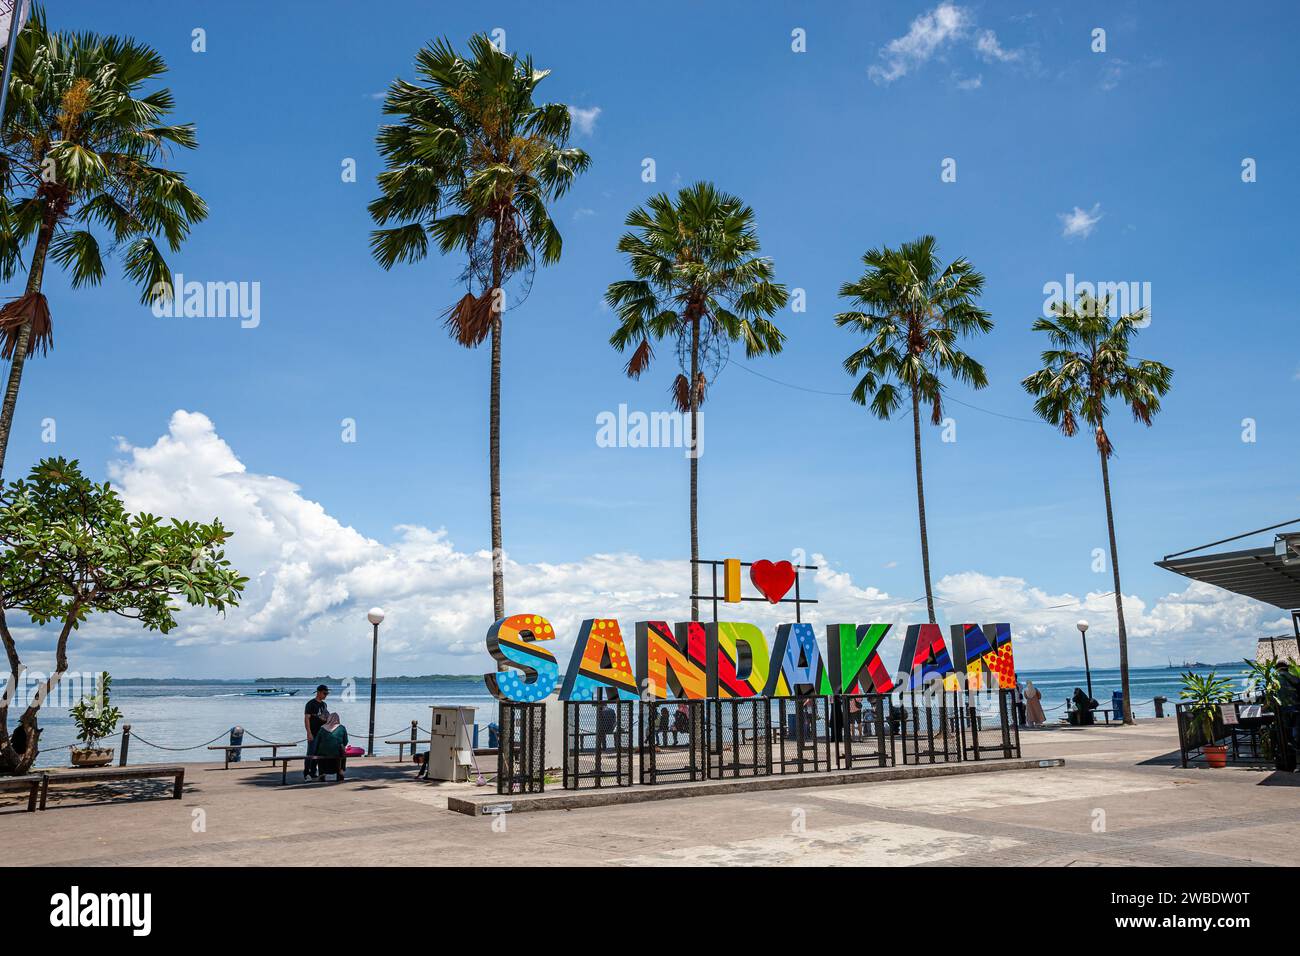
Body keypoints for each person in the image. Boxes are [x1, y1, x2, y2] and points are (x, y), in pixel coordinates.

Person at [303, 684, 330, 780]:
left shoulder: (324, 704)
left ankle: (314, 772)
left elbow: (326, 717)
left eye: (327, 693)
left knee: (319, 754)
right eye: (324, 693)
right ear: (318, 692)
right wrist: (308, 733)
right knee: (311, 753)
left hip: (322, 734)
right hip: (313, 732)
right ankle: (306, 773)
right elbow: (306, 719)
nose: (326, 695)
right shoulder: (310, 704)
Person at [312, 712, 349, 781]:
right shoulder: (342, 728)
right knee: (342, 753)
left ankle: (322, 774)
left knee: (321, 752)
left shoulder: (322, 728)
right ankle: (340, 772)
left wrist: (315, 752)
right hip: (337, 753)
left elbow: (317, 742)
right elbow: (345, 742)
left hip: (322, 753)